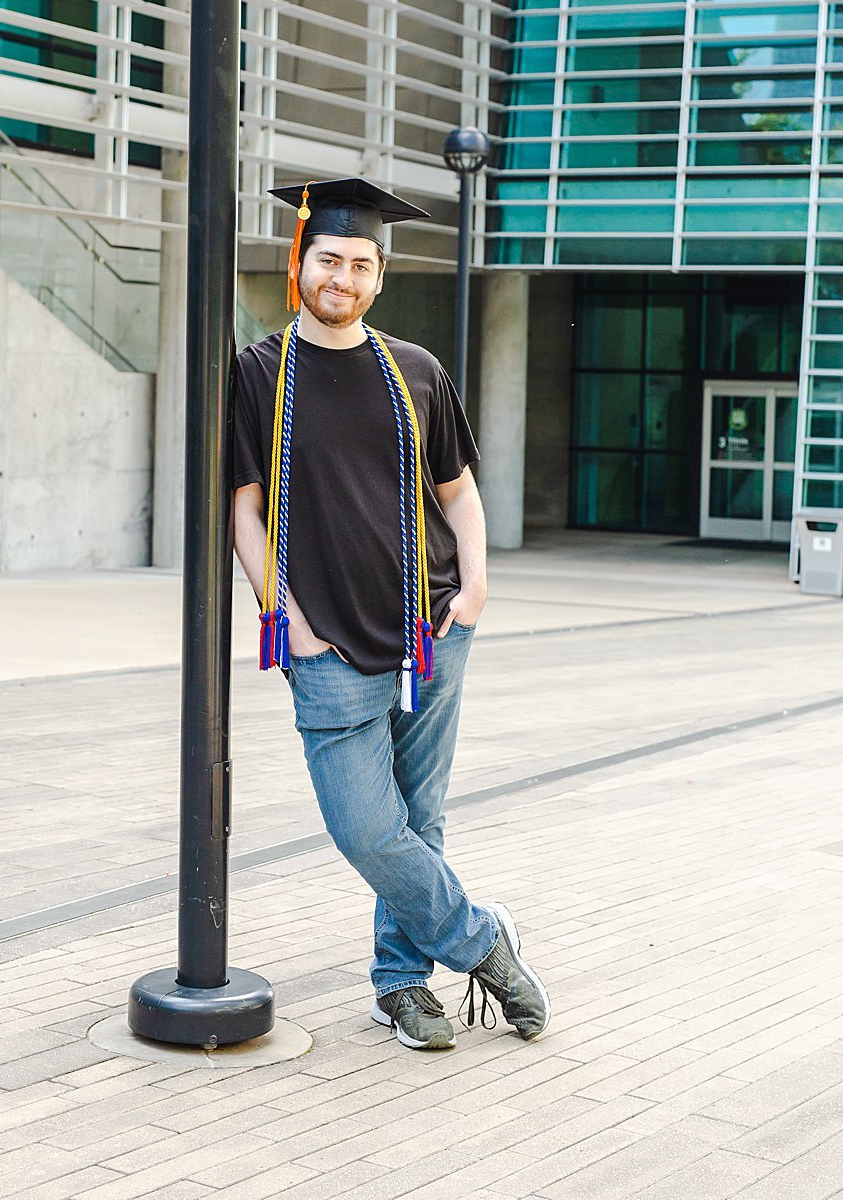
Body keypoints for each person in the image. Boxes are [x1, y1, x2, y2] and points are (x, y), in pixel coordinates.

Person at [228, 176, 551, 1052]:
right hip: (324, 643)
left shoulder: (416, 370)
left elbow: (459, 491)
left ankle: (402, 985)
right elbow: (243, 510)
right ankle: (485, 943)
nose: (343, 276)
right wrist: (283, 618)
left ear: (381, 273)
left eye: (361, 263)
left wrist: (476, 585)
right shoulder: (261, 373)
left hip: (431, 629)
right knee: (368, 826)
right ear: (302, 262)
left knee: (422, 815)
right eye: (329, 259)